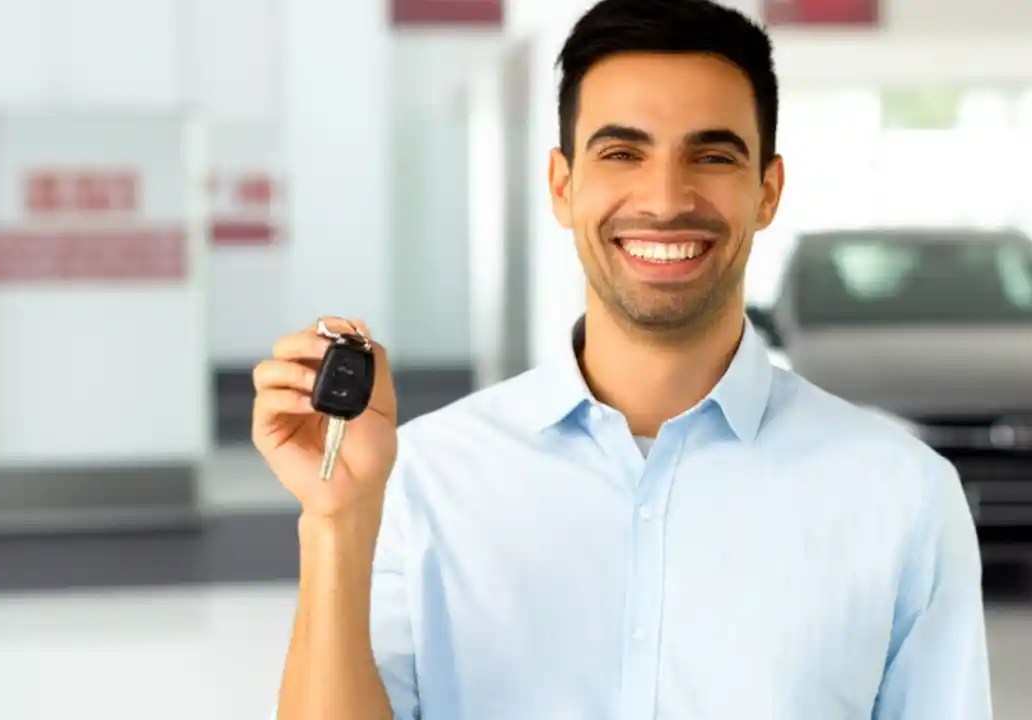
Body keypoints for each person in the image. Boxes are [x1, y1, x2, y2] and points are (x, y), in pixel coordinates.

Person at [253, 0, 992, 717]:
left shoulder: (902, 497)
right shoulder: (422, 481)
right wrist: (337, 523)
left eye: (711, 154)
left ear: (767, 191)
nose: (666, 198)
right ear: (562, 186)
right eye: (622, 152)